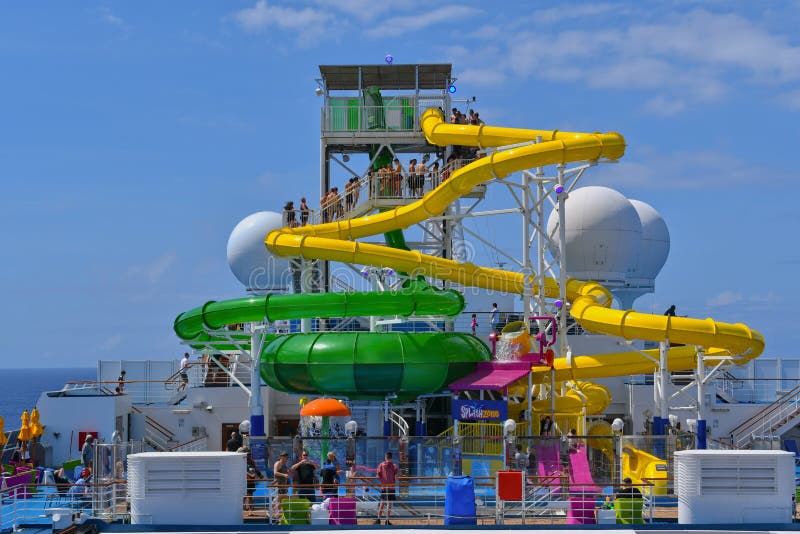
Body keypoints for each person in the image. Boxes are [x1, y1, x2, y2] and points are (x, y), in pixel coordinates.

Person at [376, 451, 399, 525]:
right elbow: (396, 476)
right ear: (391, 458)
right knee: (389, 504)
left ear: (385, 457)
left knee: (382, 503)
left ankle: (378, 519)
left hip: (384, 487)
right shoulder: (394, 466)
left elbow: (378, 476)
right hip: (391, 487)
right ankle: (387, 520)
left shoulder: (381, 465)